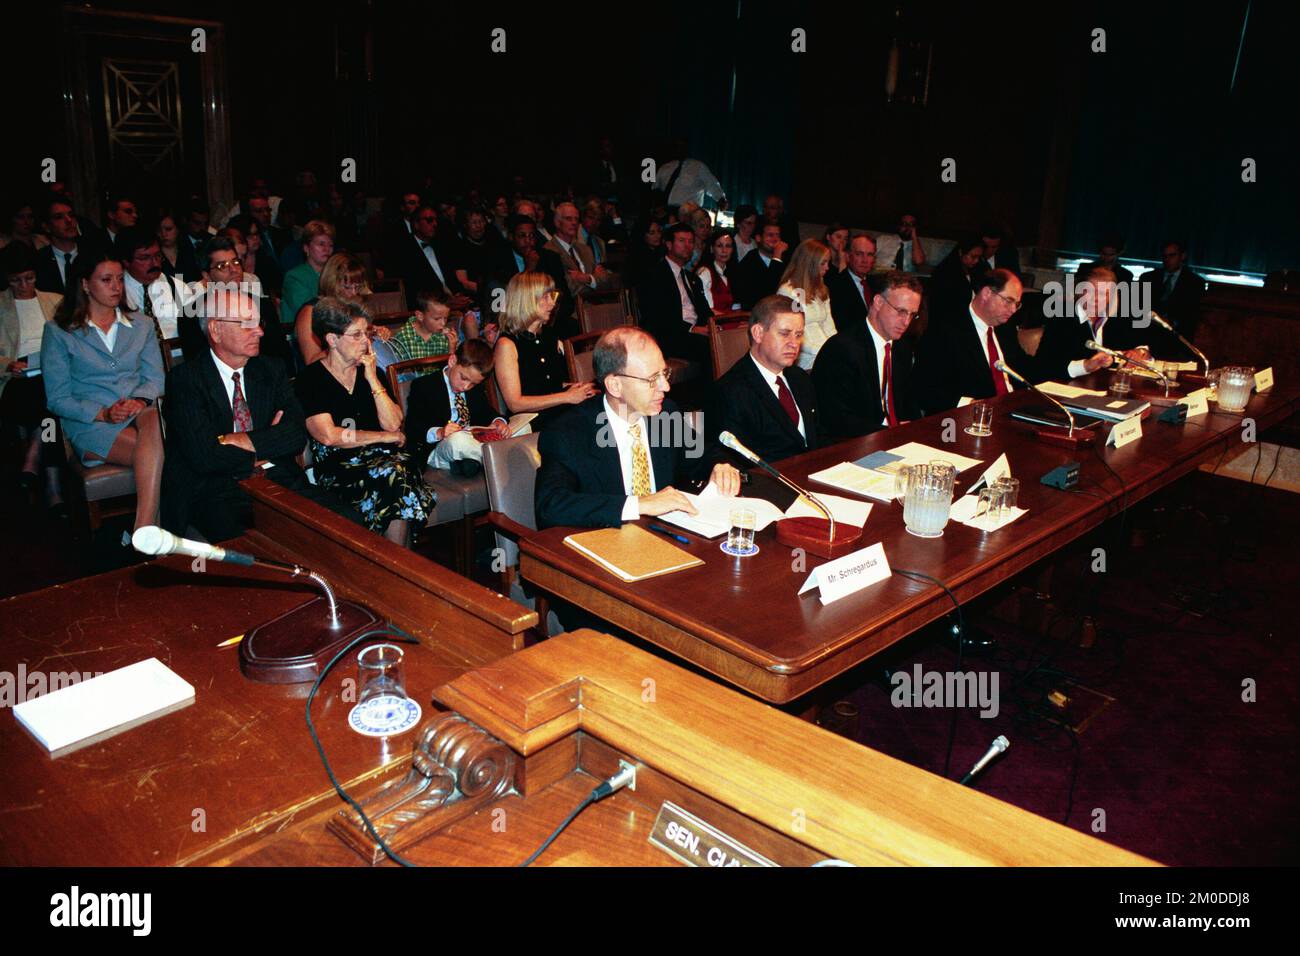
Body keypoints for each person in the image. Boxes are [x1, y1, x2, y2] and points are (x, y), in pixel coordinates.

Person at [159, 289, 361, 540]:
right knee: (260, 544)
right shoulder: (185, 380)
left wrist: (237, 439)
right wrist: (267, 441)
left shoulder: (271, 369)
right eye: (246, 324)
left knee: (349, 523)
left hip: (278, 479)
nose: (260, 331)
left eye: (258, 323)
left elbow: (296, 435)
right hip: (214, 489)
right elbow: (205, 456)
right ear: (215, 330)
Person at [536, 326, 739, 530]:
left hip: (666, 537)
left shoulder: (664, 414)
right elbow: (551, 506)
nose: (666, 387)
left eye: (664, 373)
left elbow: (702, 454)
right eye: (652, 379)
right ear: (615, 385)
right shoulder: (568, 433)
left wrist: (720, 466)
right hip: (606, 544)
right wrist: (639, 504)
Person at [40, 250, 165, 538]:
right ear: (85, 284)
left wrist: (139, 400)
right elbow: (57, 398)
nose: (116, 287)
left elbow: (155, 380)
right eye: (106, 280)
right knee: (165, 453)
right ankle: (152, 526)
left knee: (152, 419)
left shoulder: (141, 324)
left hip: (140, 412)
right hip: (93, 423)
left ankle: (145, 528)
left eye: (120, 279)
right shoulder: (59, 332)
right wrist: (104, 413)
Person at [294, 297, 434, 545]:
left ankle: (391, 565)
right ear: (332, 339)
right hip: (341, 466)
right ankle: (398, 564)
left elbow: (393, 424)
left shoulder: (372, 372)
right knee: (398, 478)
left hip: (385, 461)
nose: (366, 342)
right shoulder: (311, 379)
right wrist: (381, 437)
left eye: (366, 334)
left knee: (398, 474)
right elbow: (329, 435)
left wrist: (371, 379)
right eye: (356, 335)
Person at [911, 268, 1042, 415]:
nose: (1013, 310)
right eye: (1009, 301)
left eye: (1017, 304)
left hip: (1011, 410)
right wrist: (971, 404)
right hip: (967, 419)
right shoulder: (945, 330)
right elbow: (924, 388)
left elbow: (1023, 367)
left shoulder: (1004, 328)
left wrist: (1068, 369)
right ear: (987, 293)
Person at [708, 294, 818, 465]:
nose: (794, 343)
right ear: (758, 333)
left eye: (798, 335)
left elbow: (819, 438)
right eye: (784, 334)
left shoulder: (800, 378)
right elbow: (735, 462)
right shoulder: (731, 391)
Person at [812, 271, 923, 440]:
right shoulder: (841, 349)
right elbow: (836, 419)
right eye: (901, 311)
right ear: (878, 302)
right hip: (853, 444)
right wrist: (890, 434)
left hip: (893, 439)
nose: (906, 322)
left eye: (912, 314)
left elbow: (909, 401)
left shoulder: (902, 348)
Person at [1, 243, 65, 513]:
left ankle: (33, 459)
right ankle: (53, 488)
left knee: (49, 407)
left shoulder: (54, 300)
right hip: (17, 381)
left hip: (50, 375)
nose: (23, 285)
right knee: (49, 407)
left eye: (29, 278)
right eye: (16, 280)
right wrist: (7, 364)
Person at [493, 272, 597, 431]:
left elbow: (551, 383)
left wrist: (576, 388)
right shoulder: (507, 344)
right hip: (533, 419)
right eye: (545, 297)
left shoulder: (549, 336)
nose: (552, 304)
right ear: (526, 300)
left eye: (552, 296)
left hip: (557, 410)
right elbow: (515, 403)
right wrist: (567, 397)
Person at [405, 338, 510, 473]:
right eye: (464, 378)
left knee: (523, 427)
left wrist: (498, 422)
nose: (466, 386)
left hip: (472, 441)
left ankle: (471, 462)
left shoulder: (474, 388)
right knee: (457, 441)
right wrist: (439, 432)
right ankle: (504, 457)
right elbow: (412, 426)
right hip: (440, 447)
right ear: (452, 361)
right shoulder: (424, 386)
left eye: (473, 383)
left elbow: (486, 412)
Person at [115, 227, 203, 365]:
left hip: (179, 361)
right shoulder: (116, 293)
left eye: (157, 256)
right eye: (145, 258)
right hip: (136, 365)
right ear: (126, 261)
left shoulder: (177, 287)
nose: (154, 263)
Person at [1032, 264, 1135, 381]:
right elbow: (1044, 365)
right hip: (1063, 387)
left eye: (1102, 294)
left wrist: (1139, 351)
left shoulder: (1111, 321)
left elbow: (1128, 348)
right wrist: (1085, 366)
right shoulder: (1062, 319)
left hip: (1098, 387)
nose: (1095, 298)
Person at [634, 222, 712, 364]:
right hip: (669, 336)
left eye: (690, 242)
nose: (687, 246)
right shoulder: (654, 275)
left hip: (695, 333)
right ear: (669, 245)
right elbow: (656, 317)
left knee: (726, 338)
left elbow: (705, 311)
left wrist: (714, 326)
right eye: (682, 241)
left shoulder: (692, 279)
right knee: (707, 346)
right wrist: (692, 329)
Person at [391, 204, 473, 311]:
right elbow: (413, 291)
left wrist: (459, 295)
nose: (435, 224)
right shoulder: (404, 251)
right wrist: (445, 302)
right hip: (427, 308)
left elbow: (452, 279)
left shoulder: (441, 246)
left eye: (435, 220)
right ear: (416, 224)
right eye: (429, 220)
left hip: (452, 304)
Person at [295, 252, 371, 365]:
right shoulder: (310, 312)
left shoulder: (354, 310)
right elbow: (311, 362)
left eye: (357, 287)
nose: (354, 293)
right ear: (331, 282)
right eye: (347, 287)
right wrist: (345, 344)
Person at [777, 239, 836, 370]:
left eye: (828, 262)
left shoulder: (821, 289)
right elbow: (793, 333)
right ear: (810, 264)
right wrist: (824, 351)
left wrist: (836, 346)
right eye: (823, 263)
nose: (827, 267)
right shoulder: (790, 292)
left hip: (824, 352)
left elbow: (828, 323)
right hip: (804, 358)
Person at [1142, 239, 1206, 356]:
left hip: (1177, 336)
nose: (1167, 260)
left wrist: (1172, 322)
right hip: (1148, 332)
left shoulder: (1195, 282)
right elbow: (1138, 308)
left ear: (1182, 256)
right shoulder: (1148, 278)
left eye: (1172, 255)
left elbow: (1192, 313)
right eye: (1164, 256)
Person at [35, 197, 100, 295]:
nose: (69, 220)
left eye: (71, 215)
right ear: (46, 227)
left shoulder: (94, 254)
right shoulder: (39, 261)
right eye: (59, 217)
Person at [279, 220, 336, 330]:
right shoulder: (294, 277)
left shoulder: (336, 274)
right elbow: (310, 313)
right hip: (301, 334)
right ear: (306, 248)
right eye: (321, 244)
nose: (327, 249)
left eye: (331, 245)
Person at [731, 218, 788, 309]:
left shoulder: (784, 260)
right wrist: (776, 256)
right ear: (758, 238)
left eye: (778, 235)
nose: (775, 239)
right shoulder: (749, 262)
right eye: (770, 235)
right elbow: (768, 292)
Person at [654, 138, 726, 210]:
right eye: (676, 146)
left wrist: (720, 199)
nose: (679, 149)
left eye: (682, 146)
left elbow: (711, 184)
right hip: (666, 211)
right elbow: (655, 189)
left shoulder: (698, 166)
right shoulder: (664, 168)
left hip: (689, 213)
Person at [927, 236, 985, 323]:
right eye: (973, 257)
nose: (976, 261)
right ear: (961, 252)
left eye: (979, 257)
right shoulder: (945, 272)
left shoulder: (976, 271)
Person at [826, 234, 877, 332]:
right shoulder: (835, 285)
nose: (865, 260)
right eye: (859, 254)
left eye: (870, 255)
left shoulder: (877, 284)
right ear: (848, 256)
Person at [390, 289, 458, 362]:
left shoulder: (445, 337)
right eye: (437, 319)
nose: (443, 323)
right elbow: (402, 371)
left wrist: (452, 348)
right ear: (420, 316)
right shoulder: (403, 338)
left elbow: (450, 369)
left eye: (446, 318)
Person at [226, 213, 283, 296]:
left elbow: (277, 290)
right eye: (250, 235)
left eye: (257, 234)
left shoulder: (267, 261)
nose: (255, 238)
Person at [696, 228, 740, 313]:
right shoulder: (705, 273)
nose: (724, 251)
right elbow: (707, 310)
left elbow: (736, 307)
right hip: (714, 323)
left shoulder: (732, 272)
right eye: (719, 246)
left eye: (728, 246)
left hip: (730, 321)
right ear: (712, 249)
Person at [156, 214, 182, 280]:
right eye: (159, 231)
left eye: (168, 229)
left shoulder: (189, 253)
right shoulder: (154, 256)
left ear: (178, 229)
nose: (163, 234)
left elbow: (208, 279)